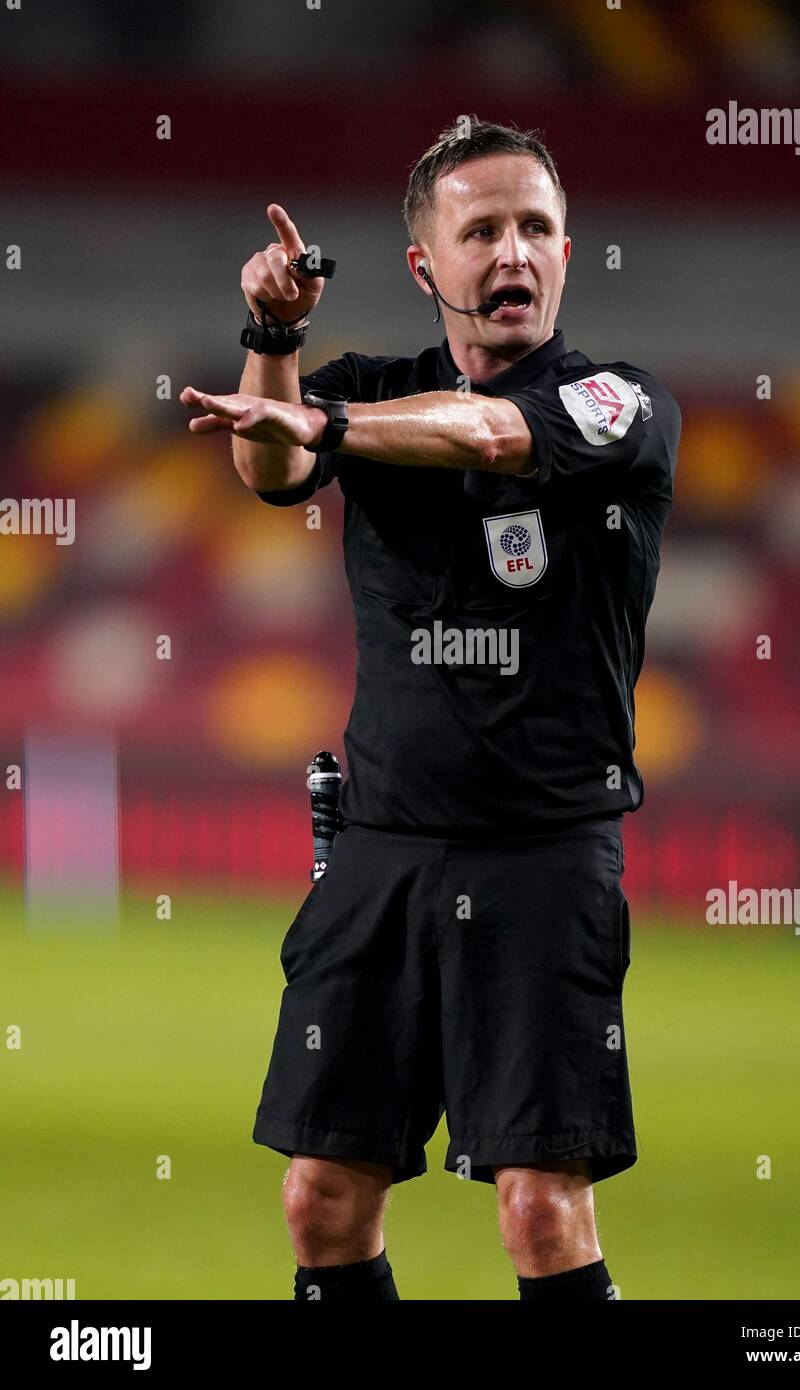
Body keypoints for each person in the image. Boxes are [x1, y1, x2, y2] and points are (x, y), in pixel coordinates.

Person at [181, 117, 681, 1302]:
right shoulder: (364, 385)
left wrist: (327, 421)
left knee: (540, 1211)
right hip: (382, 844)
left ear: (567, 251)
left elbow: (491, 431)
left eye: (537, 228)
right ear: (427, 266)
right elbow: (272, 472)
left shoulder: (621, 405)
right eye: (484, 230)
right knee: (320, 1196)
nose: (515, 250)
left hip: (544, 856)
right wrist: (277, 343)